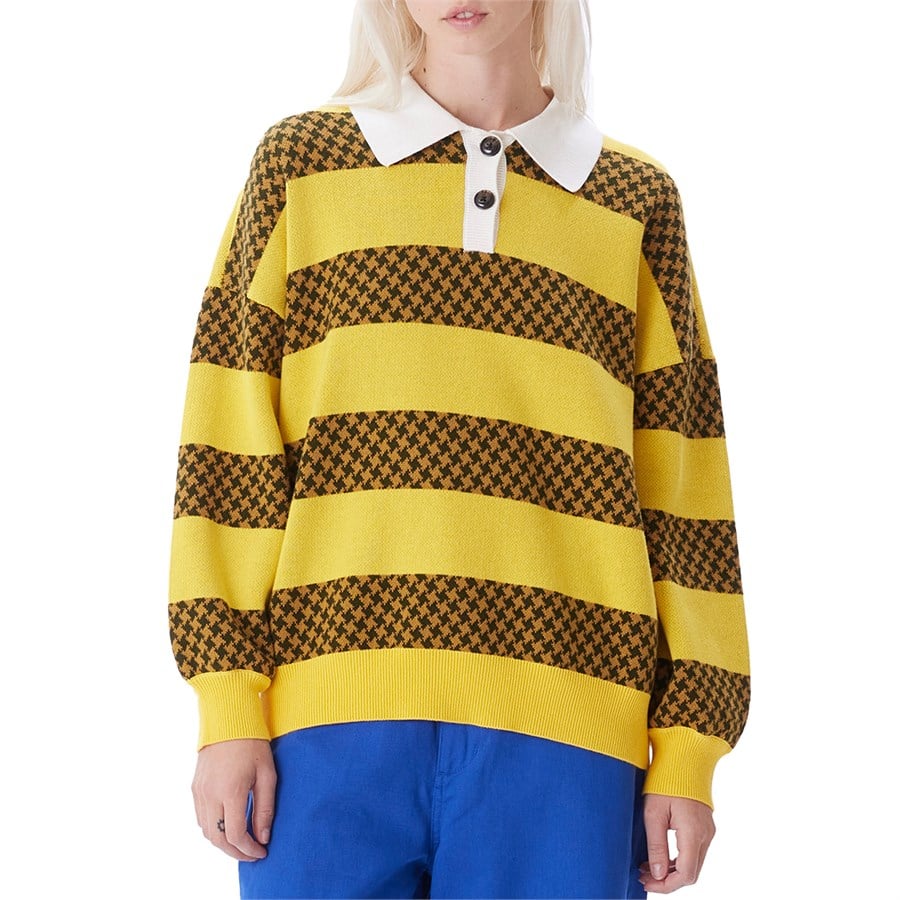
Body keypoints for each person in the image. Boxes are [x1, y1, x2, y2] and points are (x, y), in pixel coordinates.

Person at [168, 1, 750, 897]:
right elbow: (229, 445)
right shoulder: (303, 166)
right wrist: (227, 702)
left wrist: (688, 751)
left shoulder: (633, 200)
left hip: (570, 724)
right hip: (323, 715)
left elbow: (686, 490)